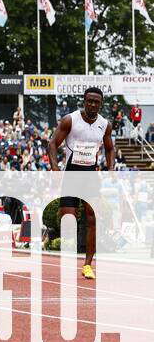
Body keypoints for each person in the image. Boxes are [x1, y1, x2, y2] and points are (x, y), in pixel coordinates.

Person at [47, 87, 114, 280]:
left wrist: (110, 168)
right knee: (68, 219)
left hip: (90, 176)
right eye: (89, 101)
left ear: (101, 104)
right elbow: (52, 144)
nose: (92, 104)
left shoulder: (105, 125)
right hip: (71, 174)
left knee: (92, 218)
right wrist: (55, 168)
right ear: (84, 101)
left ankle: (88, 265)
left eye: (96, 102)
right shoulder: (70, 120)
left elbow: (110, 148)